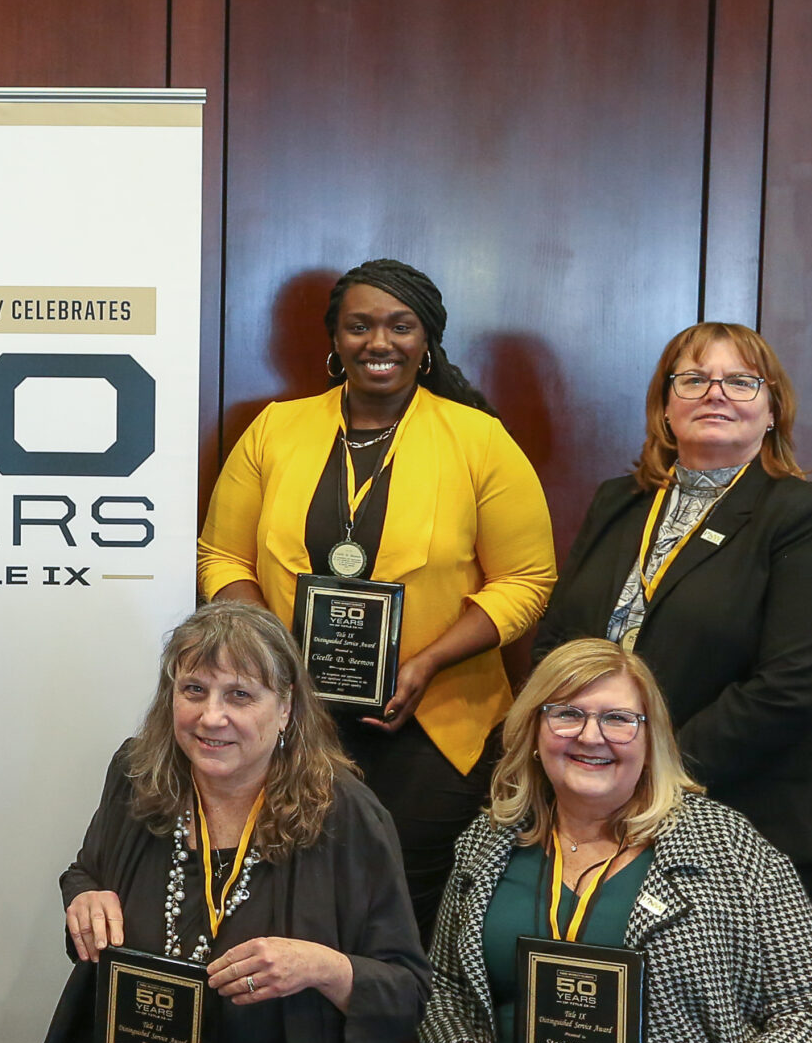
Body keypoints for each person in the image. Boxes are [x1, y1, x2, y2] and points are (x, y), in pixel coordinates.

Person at [196, 259, 556, 936]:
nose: (378, 342)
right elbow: (221, 556)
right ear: (335, 339)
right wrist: (270, 660)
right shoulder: (275, 430)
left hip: (436, 729)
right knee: (288, 910)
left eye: (400, 326)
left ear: (427, 342)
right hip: (289, 724)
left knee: (402, 927)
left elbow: (527, 581)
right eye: (359, 326)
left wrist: (425, 663)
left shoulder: (479, 440)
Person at [419, 638, 812, 1043]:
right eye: (566, 714)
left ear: (653, 740)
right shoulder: (489, 840)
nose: (590, 737)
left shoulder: (729, 848)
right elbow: (441, 987)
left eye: (618, 719)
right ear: (533, 732)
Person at [22, 601, 429, 1043]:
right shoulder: (137, 774)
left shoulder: (346, 814)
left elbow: (407, 991)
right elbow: (86, 873)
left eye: (240, 695)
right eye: (194, 690)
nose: (211, 716)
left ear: (285, 708)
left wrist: (321, 966)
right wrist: (86, 897)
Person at [534, 322, 812, 918]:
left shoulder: (806, 516)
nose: (716, 394)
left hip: (745, 820)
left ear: (771, 411)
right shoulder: (619, 502)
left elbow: (796, 688)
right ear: (664, 408)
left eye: (740, 381)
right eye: (694, 379)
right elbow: (558, 645)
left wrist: (652, 771)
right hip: (596, 814)